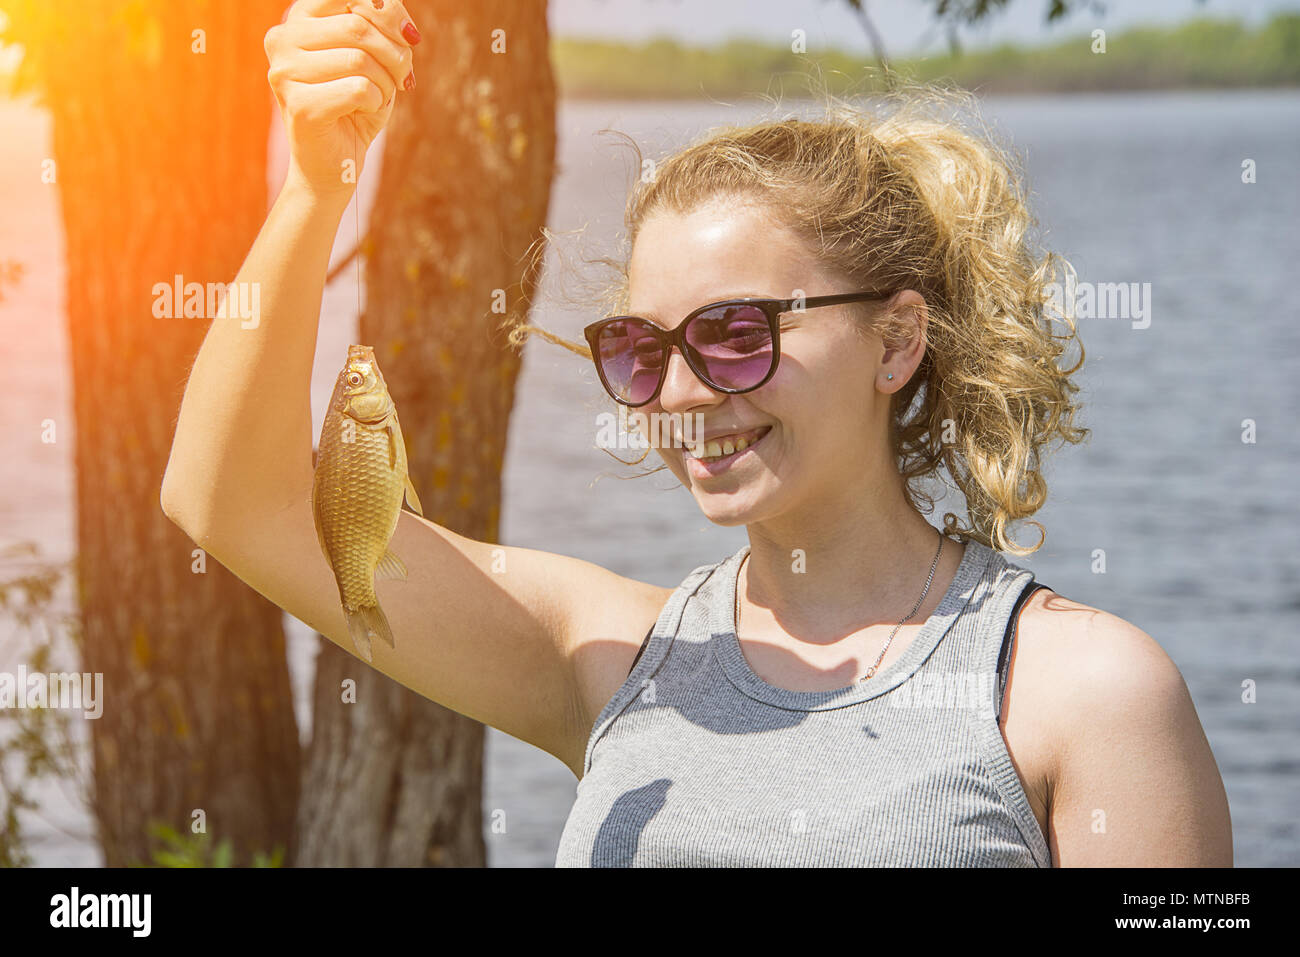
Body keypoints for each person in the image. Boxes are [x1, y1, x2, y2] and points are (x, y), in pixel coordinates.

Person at [161, 0, 1233, 867]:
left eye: (734, 334)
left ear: (896, 341)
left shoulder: (1080, 690)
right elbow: (231, 505)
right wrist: (317, 183)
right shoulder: (609, 657)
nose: (678, 392)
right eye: (639, 348)